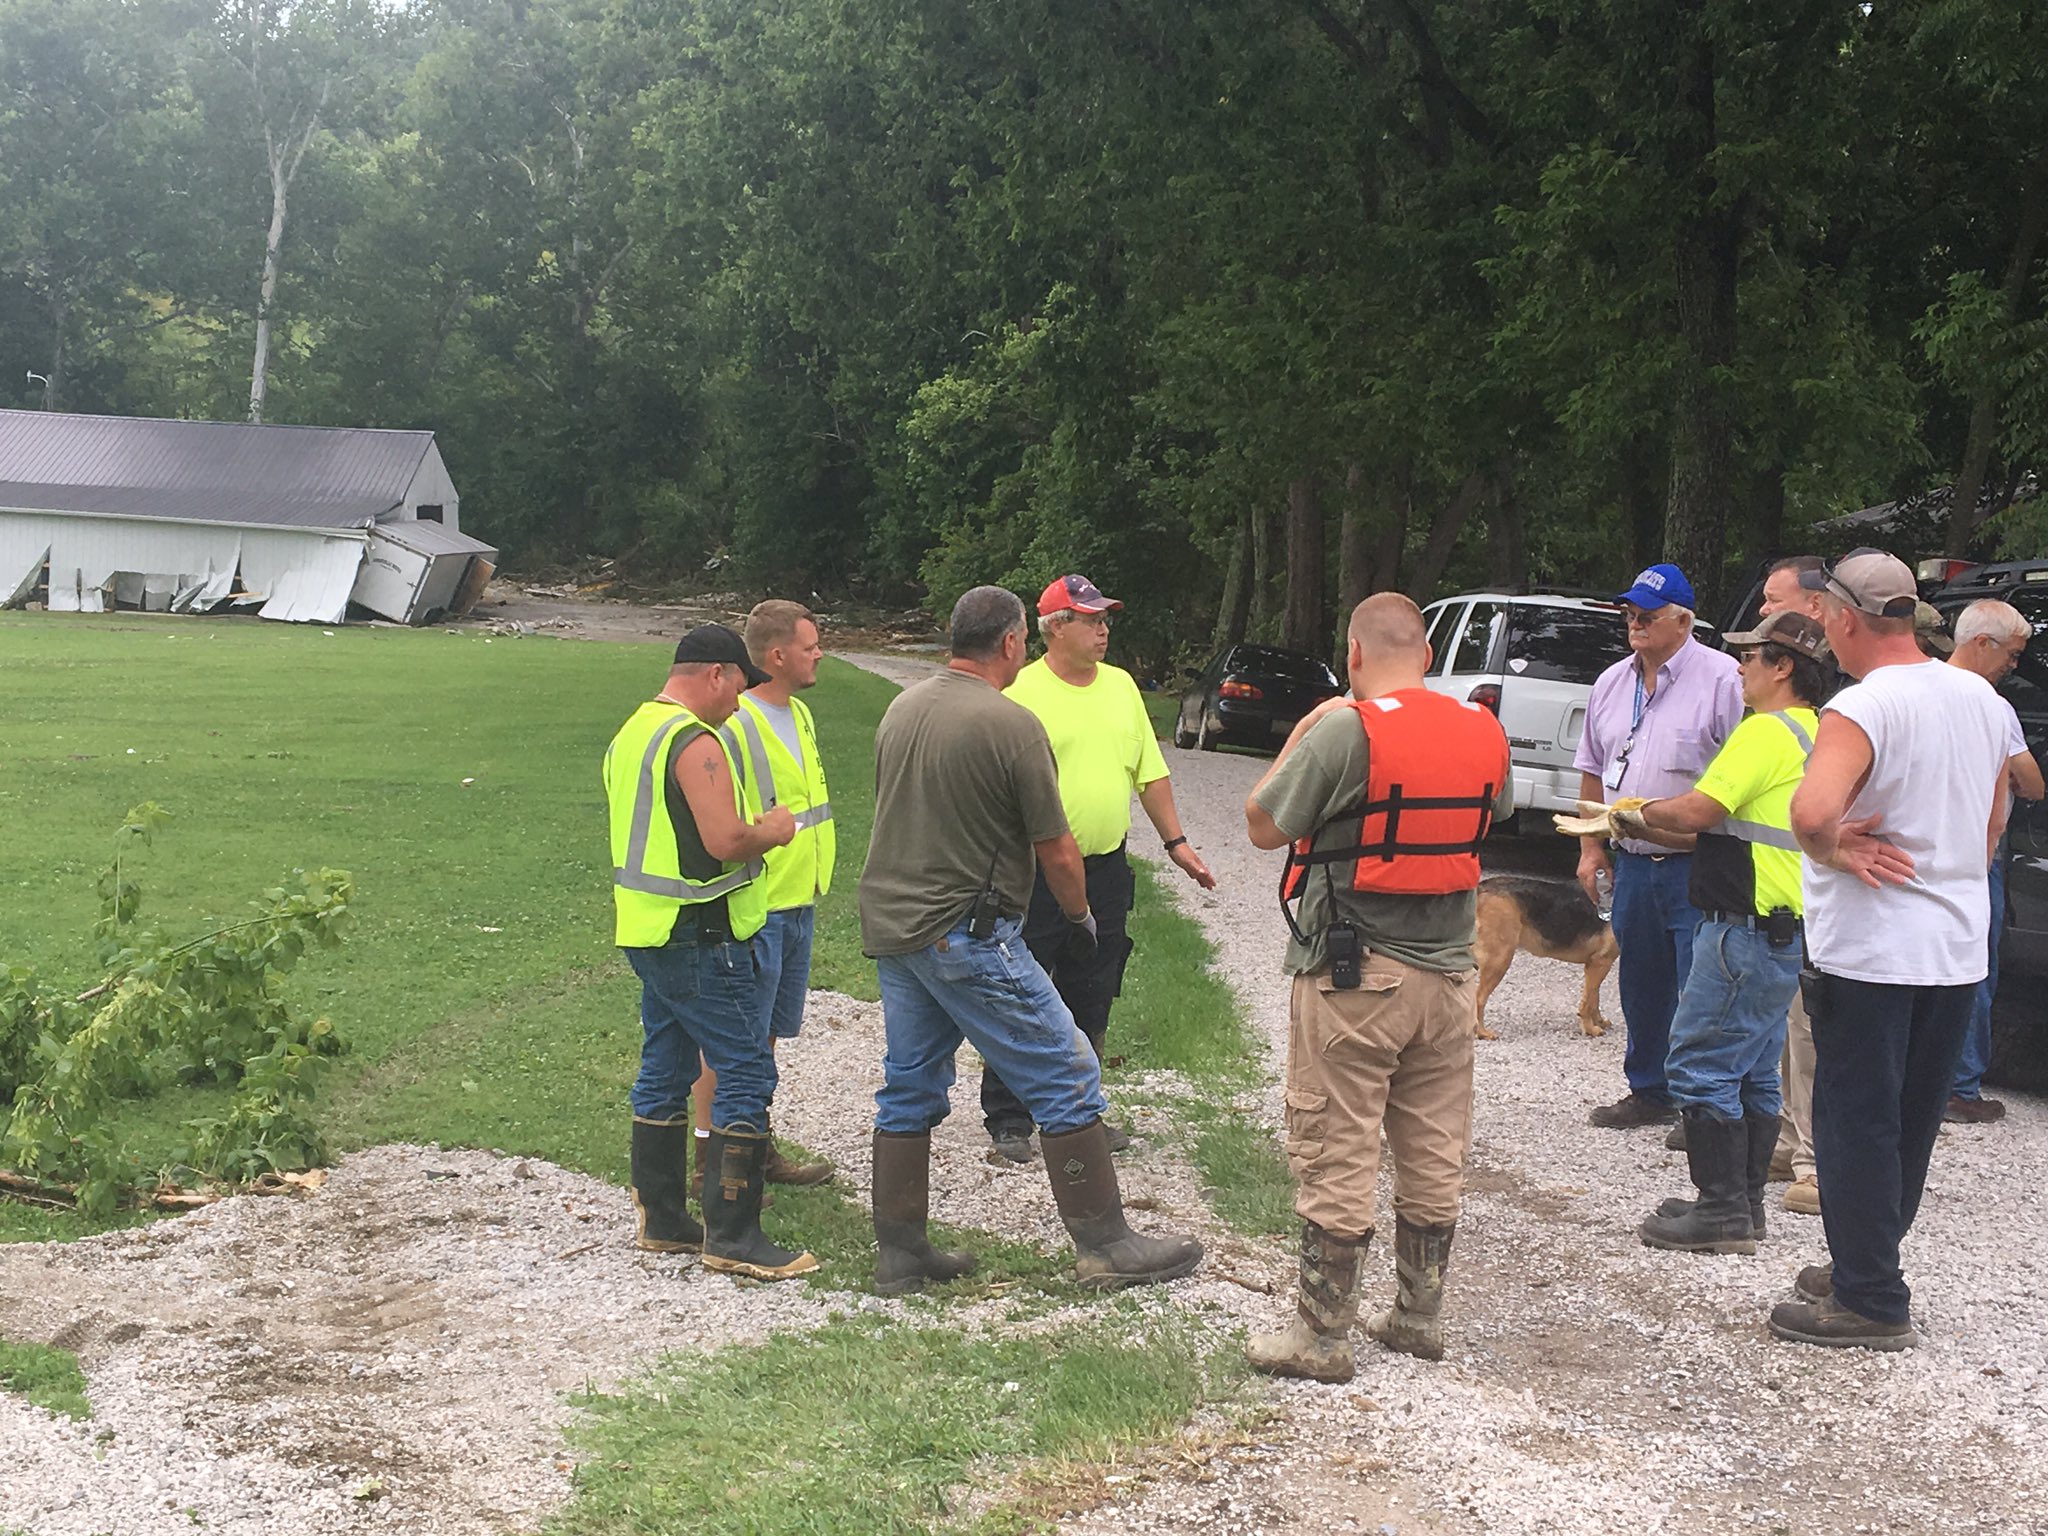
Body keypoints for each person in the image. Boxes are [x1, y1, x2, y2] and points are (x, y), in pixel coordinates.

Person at [858, 585, 1204, 1294]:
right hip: (967, 933)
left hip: (896, 929)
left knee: (909, 1086)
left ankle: (901, 1253)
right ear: (1014, 642)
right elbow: (1058, 850)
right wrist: (1079, 918)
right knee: (1069, 1070)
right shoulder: (1010, 723)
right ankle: (1106, 1244)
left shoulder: (903, 709)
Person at [1242, 594, 1512, 1382]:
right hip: (1450, 977)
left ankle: (1322, 1337)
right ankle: (1419, 1318)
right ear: (1427, 655)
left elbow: (1263, 824)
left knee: (1338, 1143)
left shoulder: (1343, 728)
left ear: (1353, 655)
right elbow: (1486, 813)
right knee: (1433, 1146)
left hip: (1354, 979)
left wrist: (1302, 731)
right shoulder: (1482, 729)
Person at [1771, 550, 2011, 1350]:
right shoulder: (1977, 697)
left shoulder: (1864, 707)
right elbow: (1992, 821)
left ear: (1841, 616)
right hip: (1953, 947)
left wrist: (1835, 847)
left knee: (1854, 1120)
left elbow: (1811, 812)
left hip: (1872, 951)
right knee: (1909, 1121)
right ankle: (1863, 1261)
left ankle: (1870, 1297)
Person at [979, 573, 1218, 1163]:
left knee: (1093, 989)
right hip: (1031, 873)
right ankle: (1008, 1119)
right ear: (1055, 628)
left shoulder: (1121, 688)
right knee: (1021, 989)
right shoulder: (1019, 691)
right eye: (1090, 620)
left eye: (1105, 619)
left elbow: (1150, 771)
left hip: (1105, 869)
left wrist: (1176, 842)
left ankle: (1080, 1114)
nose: (1103, 629)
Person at [601, 623, 815, 1280]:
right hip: (702, 934)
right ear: (716, 673)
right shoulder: (696, 743)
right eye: (739, 688)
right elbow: (724, 840)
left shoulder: (635, 730)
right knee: (746, 1070)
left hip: (651, 931)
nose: (740, 703)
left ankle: (663, 1218)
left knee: (665, 1065)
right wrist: (774, 830)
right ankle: (734, 1233)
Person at [1614, 611, 1832, 1254]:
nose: (1739, 667)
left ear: (1783, 667)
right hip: (1782, 932)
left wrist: (1628, 808)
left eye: (1752, 657)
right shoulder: (1813, 734)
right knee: (1755, 1071)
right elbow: (1711, 829)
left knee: (1701, 1064)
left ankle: (1721, 1213)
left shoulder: (1762, 733)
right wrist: (1635, 829)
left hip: (1740, 929)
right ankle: (1742, 1205)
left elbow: (1699, 809)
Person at [1573, 564, 1743, 1128]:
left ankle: (1706, 1107)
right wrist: (1591, 848)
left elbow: (1744, 773)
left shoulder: (1724, 679)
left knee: (1701, 988)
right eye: (1630, 613)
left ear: (1684, 621)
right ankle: (1649, 1089)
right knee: (1640, 980)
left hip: (1698, 860)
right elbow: (1593, 770)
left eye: (1648, 615)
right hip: (1634, 861)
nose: (1635, 624)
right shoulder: (1612, 682)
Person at [686, 601, 837, 1191]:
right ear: (777, 655)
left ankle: (754, 1143)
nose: (820, 653)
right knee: (732, 1037)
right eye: (810, 645)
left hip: (799, 897)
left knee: (766, 1034)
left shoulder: (798, 714)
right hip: (757, 902)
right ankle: (710, 1160)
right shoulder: (735, 719)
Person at [1944, 599, 2044, 1124]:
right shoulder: (1993, 706)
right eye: (2012, 654)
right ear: (1982, 643)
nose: (2014, 666)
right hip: (1979, 852)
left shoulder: (1919, 688)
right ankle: (1960, 1085)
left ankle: (1923, 1076)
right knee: (1974, 966)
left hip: (1921, 847)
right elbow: (2031, 781)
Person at [1752, 555, 1829, 1216]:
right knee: (1787, 1027)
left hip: (1822, 893)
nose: (1761, 613)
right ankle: (1787, 1138)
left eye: (1773, 601)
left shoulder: (1832, 688)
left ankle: (1815, 1161)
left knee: (1809, 1033)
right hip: (1790, 892)